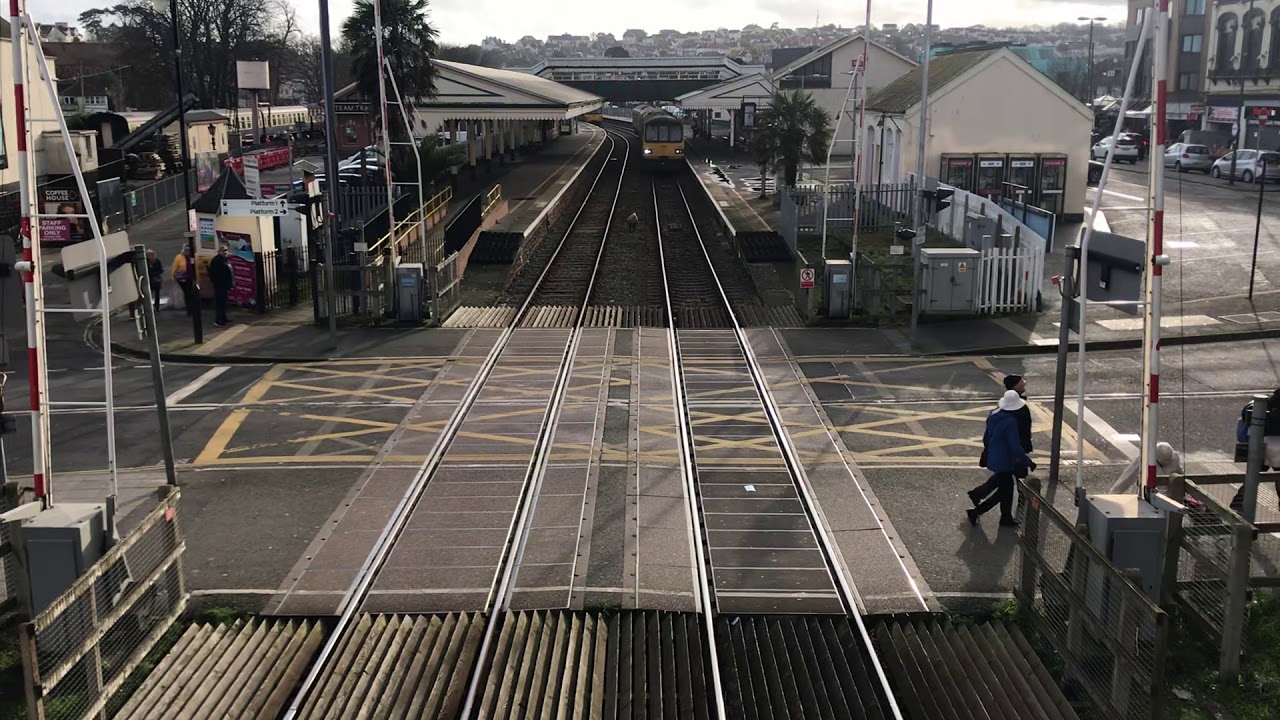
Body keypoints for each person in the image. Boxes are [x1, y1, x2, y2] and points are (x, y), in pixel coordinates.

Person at [968, 390, 1034, 528]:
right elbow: (1015, 447)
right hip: (1005, 460)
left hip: (994, 456)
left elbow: (986, 437)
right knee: (1005, 491)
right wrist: (1028, 462)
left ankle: (983, 501)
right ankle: (978, 512)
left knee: (1003, 486)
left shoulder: (993, 415)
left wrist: (988, 451)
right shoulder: (1010, 422)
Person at [208, 243, 234, 327]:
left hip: (224, 285)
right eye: (224, 251)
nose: (226, 252)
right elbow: (214, 274)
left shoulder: (224, 259)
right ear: (219, 252)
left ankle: (223, 318)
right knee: (220, 303)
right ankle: (218, 321)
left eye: (226, 250)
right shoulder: (216, 261)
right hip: (220, 285)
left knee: (224, 303)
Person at [171, 246, 196, 316]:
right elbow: (174, 267)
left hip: (190, 277)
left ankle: (191, 309)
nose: (187, 251)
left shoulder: (192, 257)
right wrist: (173, 277)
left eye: (188, 250)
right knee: (188, 293)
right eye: (186, 250)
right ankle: (189, 310)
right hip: (182, 278)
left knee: (190, 293)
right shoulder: (179, 257)